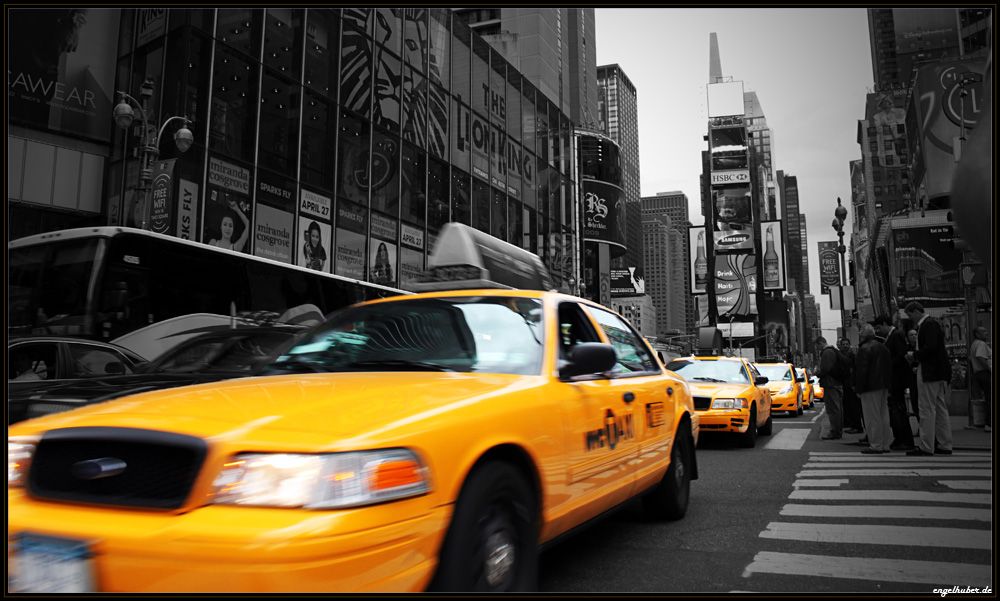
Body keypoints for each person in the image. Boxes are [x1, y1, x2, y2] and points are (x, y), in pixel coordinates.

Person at [904, 301, 953, 456]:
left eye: (910, 315)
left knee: (927, 408)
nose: (910, 318)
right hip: (938, 372)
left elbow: (930, 348)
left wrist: (914, 355)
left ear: (916, 311)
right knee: (939, 408)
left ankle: (926, 445)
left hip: (929, 371)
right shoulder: (932, 324)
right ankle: (944, 444)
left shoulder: (928, 324)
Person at [877, 315, 915, 450]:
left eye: (879, 327)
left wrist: (888, 365)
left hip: (897, 379)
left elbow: (901, 355)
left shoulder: (896, 335)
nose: (879, 331)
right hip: (894, 379)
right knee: (895, 410)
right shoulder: (892, 336)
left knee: (898, 410)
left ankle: (905, 439)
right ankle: (899, 438)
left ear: (884, 323)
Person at [855, 323, 893, 454]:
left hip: (869, 386)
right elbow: (889, 368)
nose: (859, 334)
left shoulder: (864, 348)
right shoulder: (883, 347)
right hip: (883, 385)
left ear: (864, 335)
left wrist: (859, 388)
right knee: (883, 414)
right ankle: (885, 444)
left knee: (872, 416)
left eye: (860, 331)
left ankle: (876, 445)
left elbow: (862, 371)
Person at [814, 336, 846, 440]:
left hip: (831, 384)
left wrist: (817, 373)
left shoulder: (827, 353)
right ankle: (837, 430)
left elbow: (825, 369)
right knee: (837, 408)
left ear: (820, 343)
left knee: (833, 409)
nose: (817, 348)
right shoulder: (832, 351)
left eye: (817, 346)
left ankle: (835, 431)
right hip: (835, 383)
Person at [969, 326, 993, 432]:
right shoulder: (981, 344)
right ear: (977, 334)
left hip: (978, 373)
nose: (986, 333)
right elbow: (980, 356)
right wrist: (989, 368)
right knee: (990, 399)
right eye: (983, 331)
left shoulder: (974, 344)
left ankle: (988, 423)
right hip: (985, 373)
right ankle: (989, 423)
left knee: (988, 398)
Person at [839, 338, 864, 435]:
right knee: (848, 405)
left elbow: (853, 369)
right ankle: (852, 424)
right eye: (843, 344)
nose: (845, 346)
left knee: (854, 406)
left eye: (847, 344)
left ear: (849, 345)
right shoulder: (842, 355)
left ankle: (857, 426)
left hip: (851, 384)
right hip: (845, 383)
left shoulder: (852, 355)